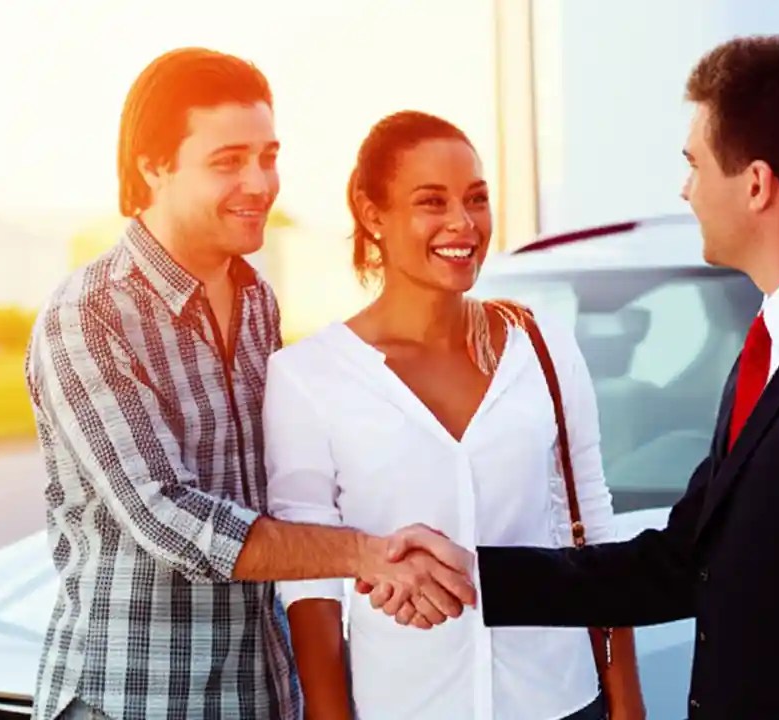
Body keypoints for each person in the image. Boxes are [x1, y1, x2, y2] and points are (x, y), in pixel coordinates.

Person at [376, 36, 779, 719]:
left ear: (756, 184)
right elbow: (681, 562)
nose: (685, 188)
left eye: (694, 163)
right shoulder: (774, 342)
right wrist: (472, 573)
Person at [24, 49, 473, 720]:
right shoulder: (89, 315)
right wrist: (370, 556)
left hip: (258, 692)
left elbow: (286, 483)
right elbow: (167, 516)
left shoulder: (255, 297)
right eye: (228, 161)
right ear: (154, 166)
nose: (261, 182)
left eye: (268, 155)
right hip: (136, 701)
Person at [263, 110, 645, 720]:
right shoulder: (309, 378)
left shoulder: (543, 348)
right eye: (431, 202)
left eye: (476, 199)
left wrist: (626, 701)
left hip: (562, 700)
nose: (462, 224)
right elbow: (311, 583)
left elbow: (593, 526)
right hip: (405, 704)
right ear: (372, 213)